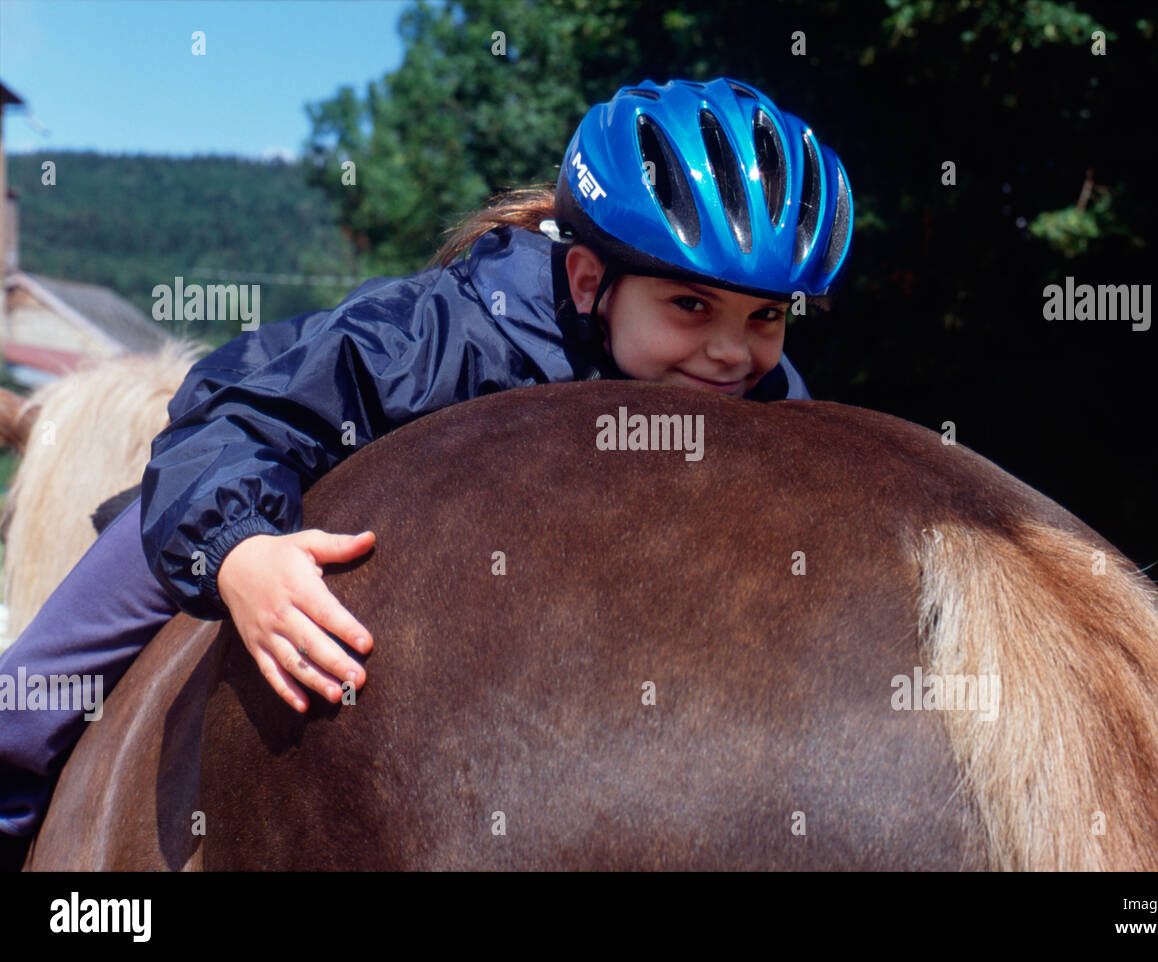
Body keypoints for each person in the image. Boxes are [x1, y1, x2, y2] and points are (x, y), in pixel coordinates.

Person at [0, 76, 853, 840]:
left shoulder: (765, 396)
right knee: (36, 690)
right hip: (239, 498)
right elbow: (235, 409)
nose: (730, 355)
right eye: (691, 305)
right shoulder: (441, 337)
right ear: (591, 281)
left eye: (764, 318)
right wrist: (240, 554)